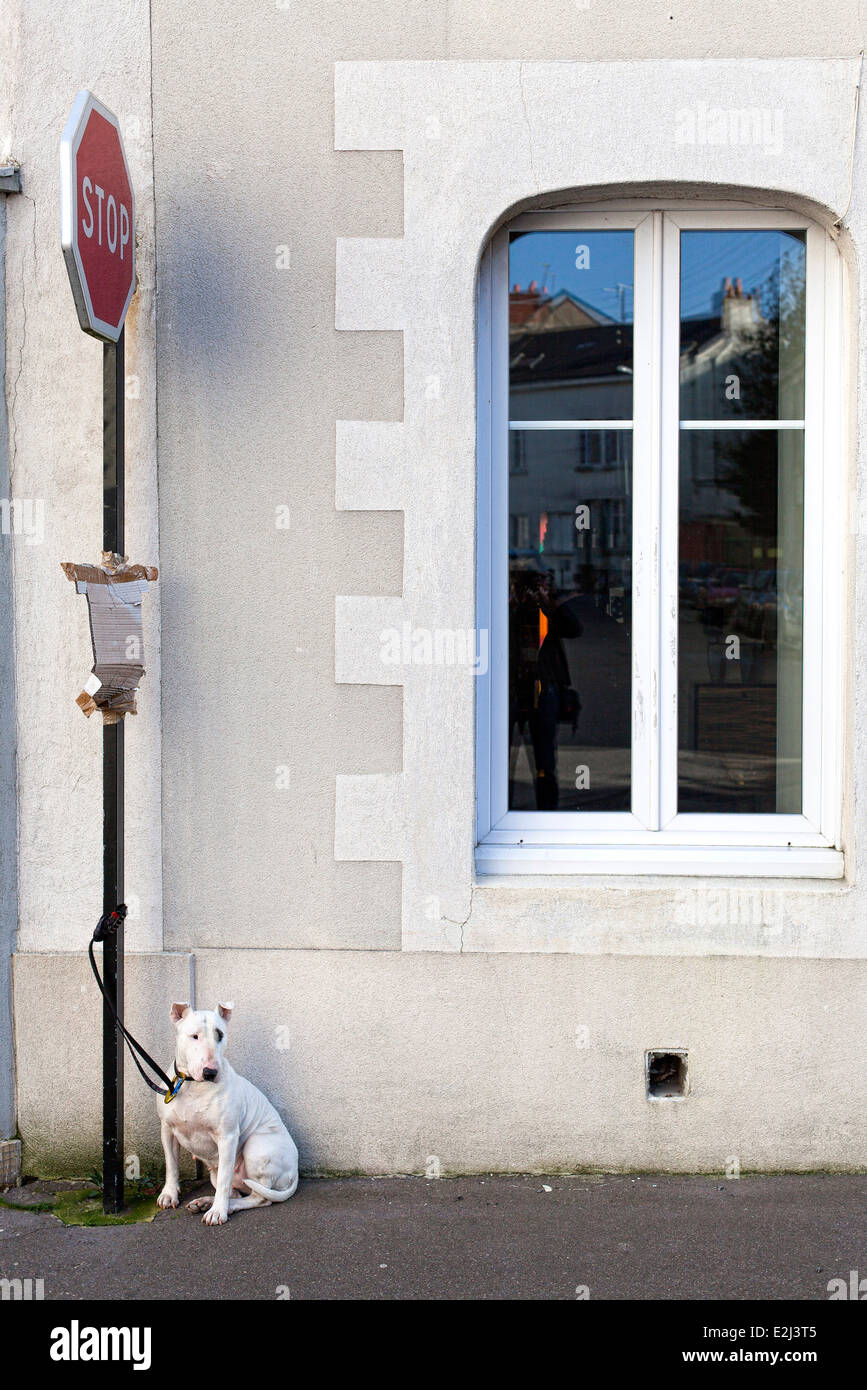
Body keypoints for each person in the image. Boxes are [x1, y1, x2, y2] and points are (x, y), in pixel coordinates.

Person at [509, 569, 583, 809]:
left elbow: (574, 629)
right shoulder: (506, 608)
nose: (530, 594)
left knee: (545, 761)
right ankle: (499, 813)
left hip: (544, 688)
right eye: (526, 588)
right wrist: (510, 602)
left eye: (536, 587)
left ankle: (547, 814)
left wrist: (548, 602)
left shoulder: (547, 609)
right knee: (501, 761)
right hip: (510, 688)